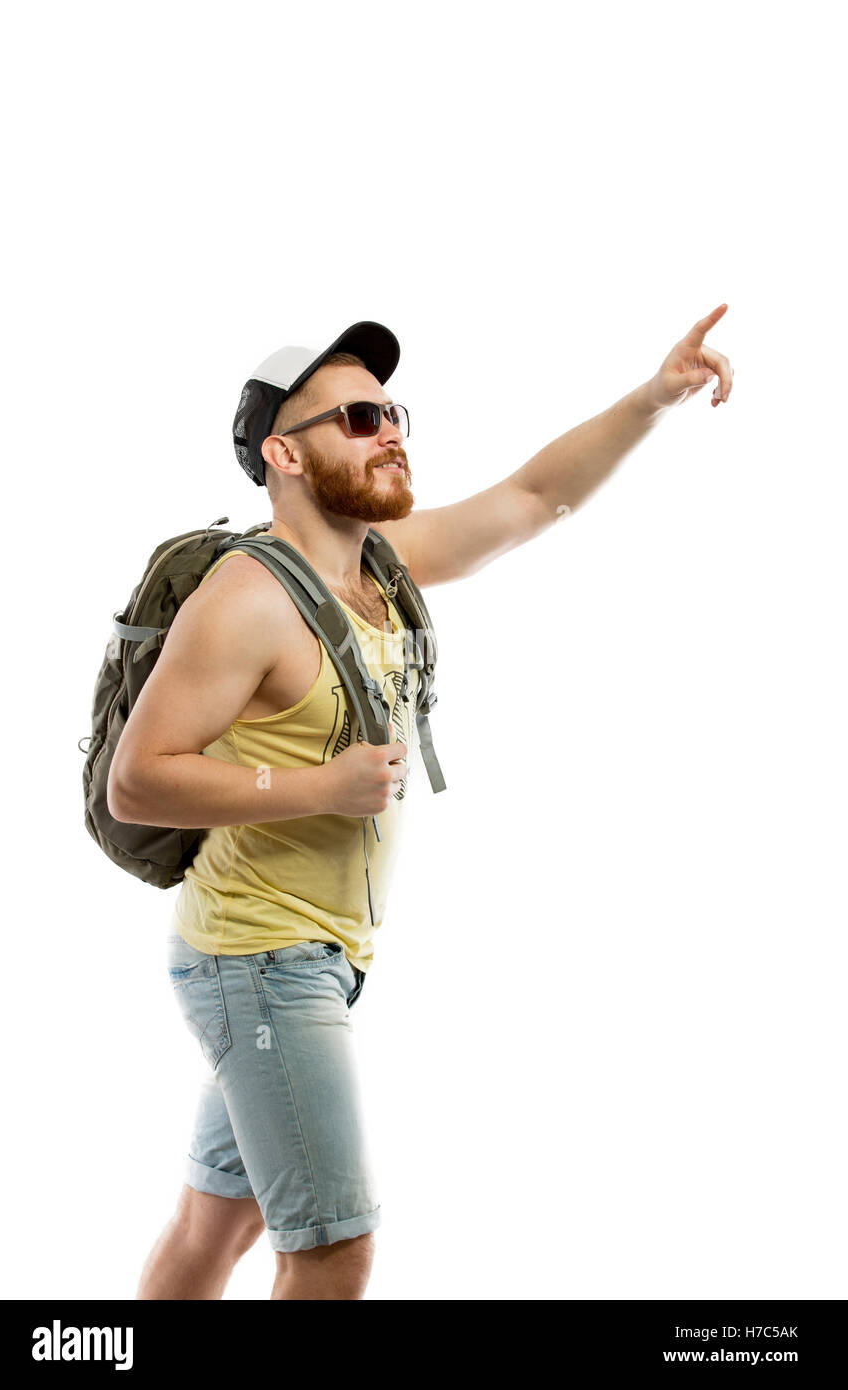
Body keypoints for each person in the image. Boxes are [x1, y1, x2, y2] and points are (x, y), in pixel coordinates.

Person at [108, 310, 733, 1300]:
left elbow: (532, 497)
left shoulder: (375, 573)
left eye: (393, 411)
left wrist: (651, 397)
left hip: (310, 954)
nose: (391, 430)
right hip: (260, 963)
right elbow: (137, 776)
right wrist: (315, 785)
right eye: (358, 417)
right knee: (331, 1249)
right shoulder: (245, 597)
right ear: (283, 454)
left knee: (210, 1225)